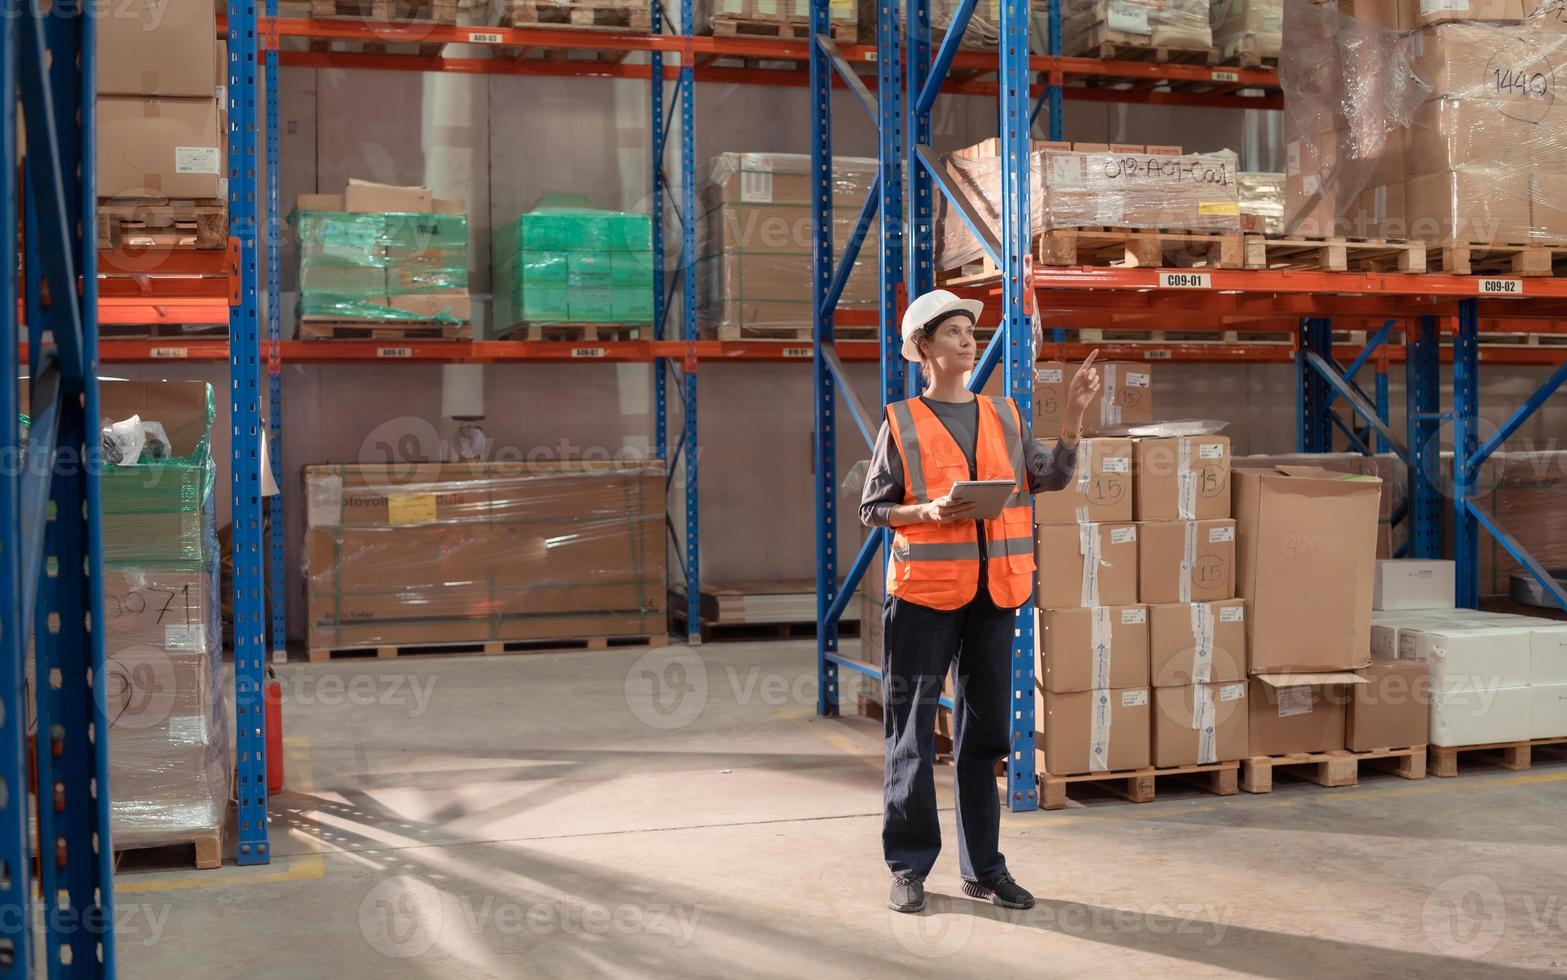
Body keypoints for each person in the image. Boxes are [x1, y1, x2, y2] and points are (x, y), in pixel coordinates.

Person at [859, 288, 1101, 915]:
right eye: (952, 333)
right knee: (911, 733)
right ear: (922, 349)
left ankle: (984, 869)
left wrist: (1073, 415)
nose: (968, 340)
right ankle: (908, 866)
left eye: (971, 330)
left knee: (985, 735)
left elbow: (1049, 477)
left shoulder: (1006, 414)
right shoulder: (901, 421)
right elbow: (873, 508)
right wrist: (928, 510)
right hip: (924, 597)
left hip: (997, 594)